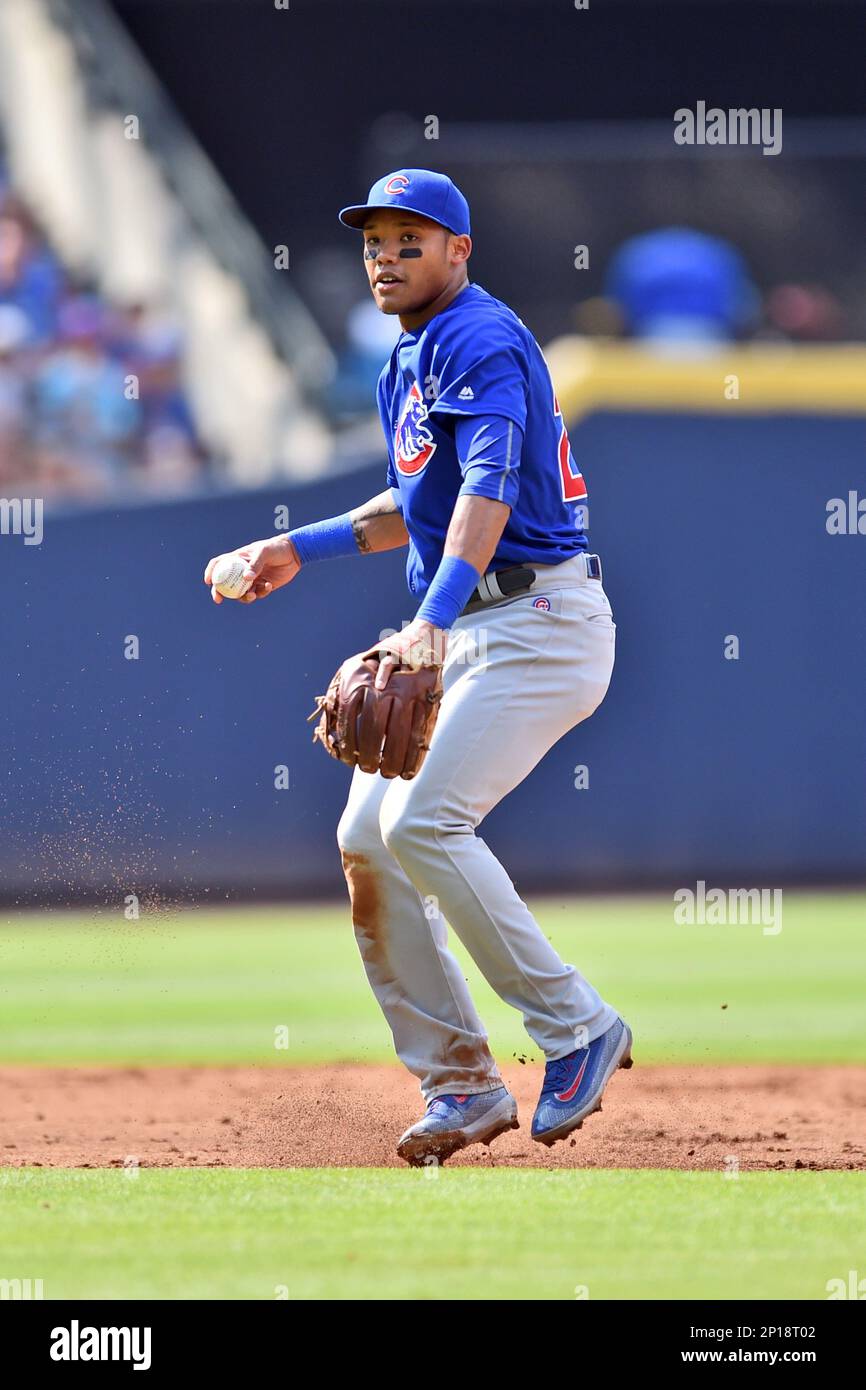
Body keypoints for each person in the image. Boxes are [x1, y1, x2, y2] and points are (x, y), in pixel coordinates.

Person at [204, 169, 632, 1166]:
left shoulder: (475, 336)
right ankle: (462, 1086)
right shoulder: (412, 351)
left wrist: (430, 621)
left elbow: (485, 487)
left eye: (410, 239)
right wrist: (291, 549)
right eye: (374, 243)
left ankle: (575, 1025)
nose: (386, 258)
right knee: (367, 834)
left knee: (422, 820)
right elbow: (418, 501)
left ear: (457, 251)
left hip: (539, 619)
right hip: (483, 621)